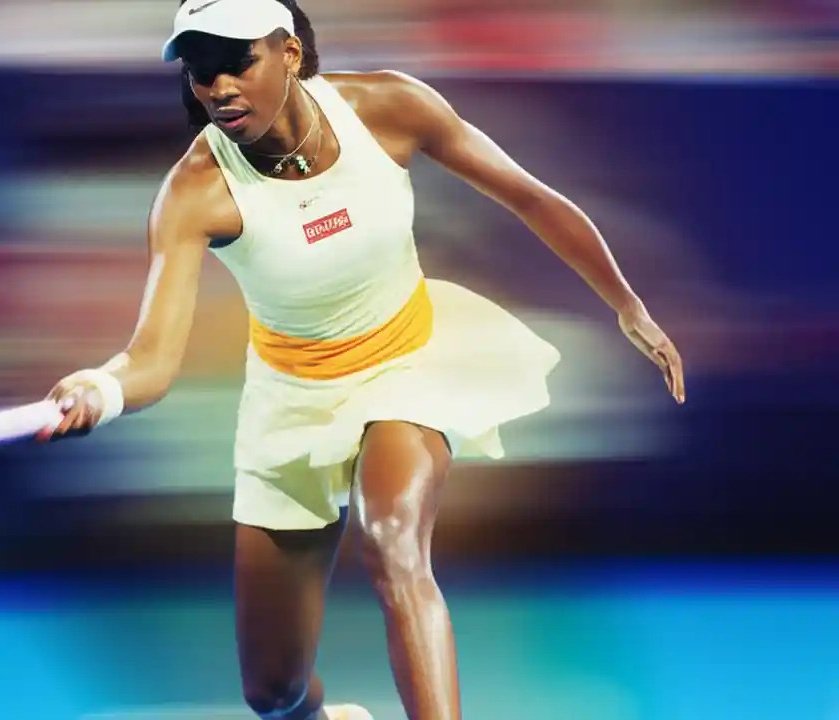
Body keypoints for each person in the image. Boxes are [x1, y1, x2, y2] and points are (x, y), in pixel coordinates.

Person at [37, 0, 686, 718]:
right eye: (200, 71)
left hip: (409, 363)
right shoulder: (194, 191)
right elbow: (151, 361)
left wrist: (628, 305)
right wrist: (100, 387)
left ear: (289, 51)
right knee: (273, 691)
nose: (218, 86)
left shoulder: (389, 107)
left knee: (394, 542)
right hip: (290, 399)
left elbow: (529, 198)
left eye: (237, 62)